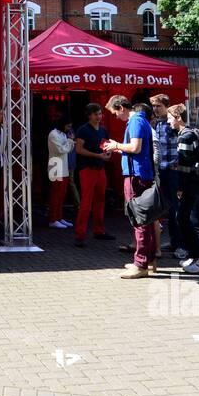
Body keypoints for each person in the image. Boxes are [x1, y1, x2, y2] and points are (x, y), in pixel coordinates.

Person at [170, 103, 199, 273]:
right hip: (198, 183)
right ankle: (197, 257)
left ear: (178, 118)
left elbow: (184, 165)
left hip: (190, 185)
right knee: (189, 219)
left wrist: (179, 187)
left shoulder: (185, 137)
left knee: (183, 219)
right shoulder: (194, 132)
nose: (168, 123)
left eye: (169, 118)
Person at [117, 100, 158, 279]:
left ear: (121, 108)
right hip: (142, 174)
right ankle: (149, 261)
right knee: (146, 219)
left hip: (136, 177)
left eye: (115, 113)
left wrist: (116, 146)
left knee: (139, 220)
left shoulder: (135, 121)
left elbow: (135, 147)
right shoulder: (142, 121)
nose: (116, 117)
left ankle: (140, 263)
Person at [73, 103, 115, 247]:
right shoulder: (83, 130)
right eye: (96, 114)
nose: (99, 116)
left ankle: (99, 230)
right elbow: (79, 149)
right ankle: (80, 235)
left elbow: (105, 146)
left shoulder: (103, 130)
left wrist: (107, 154)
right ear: (89, 115)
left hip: (100, 169)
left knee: (100, 201)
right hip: (87, 169)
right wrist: (98, 156)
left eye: (100, 113)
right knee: (86, 203)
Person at [149, 93, 181, 254]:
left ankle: (178, 243)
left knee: (174, 207)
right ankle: (174, 241)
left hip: (171, 169)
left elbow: (179, 146)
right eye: (153, 106)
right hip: (160, 169)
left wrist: (177, 166)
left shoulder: (171, 123)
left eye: (158, 106)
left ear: (166, 106)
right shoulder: (157, 124)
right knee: (165, 207)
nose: (155, 109)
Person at [46, 114, 74, 229]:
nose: (69, 129)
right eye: (68, 126)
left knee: (61, 194)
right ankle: (52, 219)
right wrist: (70, 141)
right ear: (62, 125)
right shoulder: (53, 134)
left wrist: (69, 142)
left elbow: (68, 150)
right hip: (55, 166)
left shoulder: (62, 134)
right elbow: (61, 150)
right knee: (55, 194)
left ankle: (59, 217)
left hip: (63, 166)